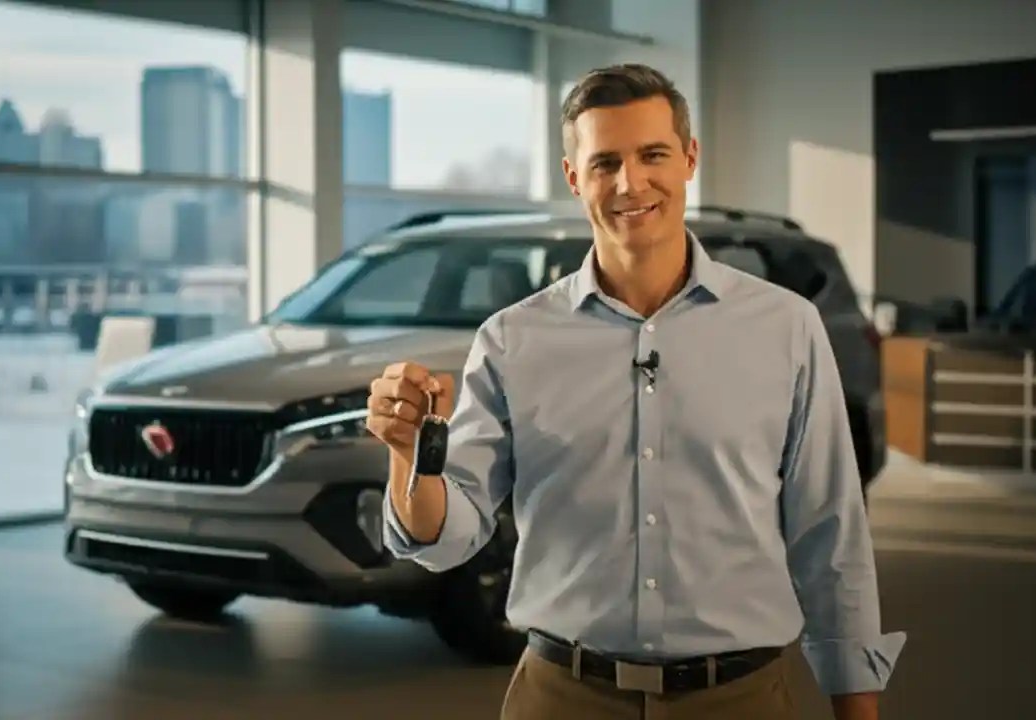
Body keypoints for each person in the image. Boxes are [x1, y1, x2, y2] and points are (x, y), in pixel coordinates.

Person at [366, 63, 905, 720]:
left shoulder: (787, 328)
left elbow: (831, 534)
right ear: (574, 177)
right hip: (561, 699)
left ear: (689, 158)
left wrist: (857, 707)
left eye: (653, 155)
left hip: (743, 700)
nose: (631, 183)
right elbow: (449, 536)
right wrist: (406, 455)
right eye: (605, 163)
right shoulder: (511, 340)